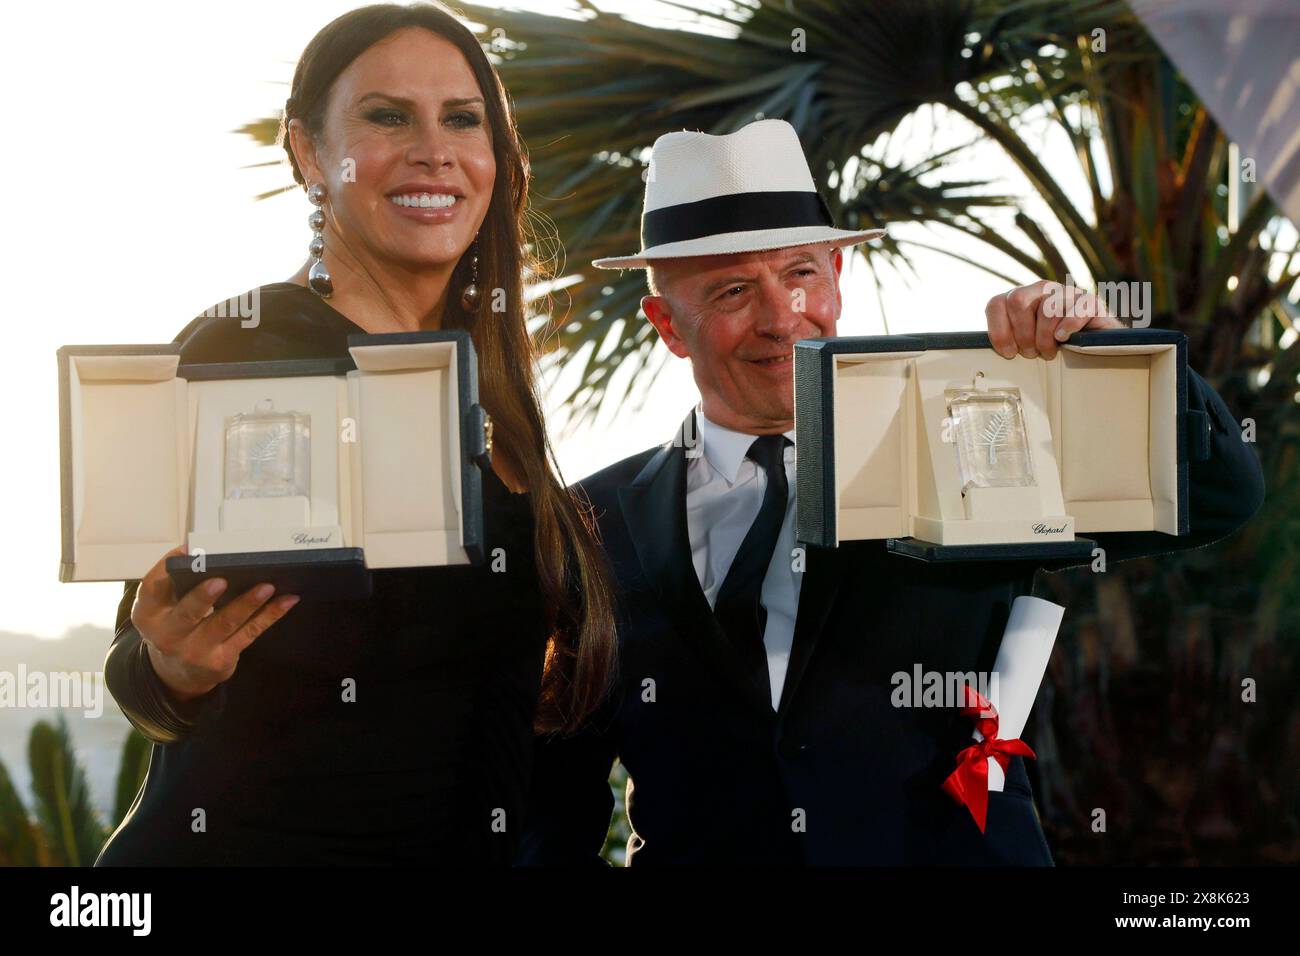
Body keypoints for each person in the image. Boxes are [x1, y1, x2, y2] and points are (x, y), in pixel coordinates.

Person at [516, 119, 1266, 866]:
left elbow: (1222, 492)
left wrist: (1110, 354)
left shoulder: (974, 438)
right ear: (668, 325)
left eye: (801, 274)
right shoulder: (587, 525)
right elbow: (553, 810)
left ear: (838, 278)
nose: (781, 318)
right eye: (734, 290)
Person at [96, 2, 615, 866]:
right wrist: (175, 669)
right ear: (308, 152)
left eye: (462, 119)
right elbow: (141, 658)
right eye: (388, 116)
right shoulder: (244, 349)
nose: (434, 150)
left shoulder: (492, 381)